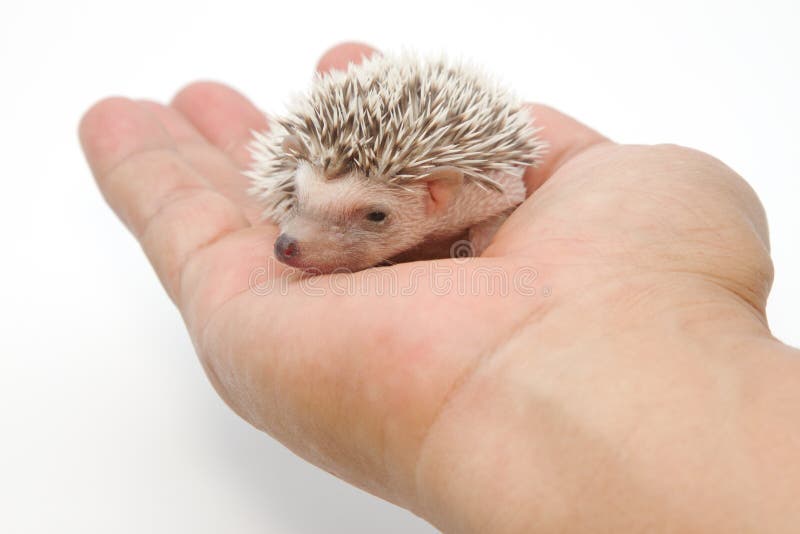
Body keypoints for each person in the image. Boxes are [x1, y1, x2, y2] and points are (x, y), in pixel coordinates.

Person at [79, 42, 799, 532]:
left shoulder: (487, 186)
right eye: (299, 204)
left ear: (439, 195)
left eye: (370, 217)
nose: (291, 245)